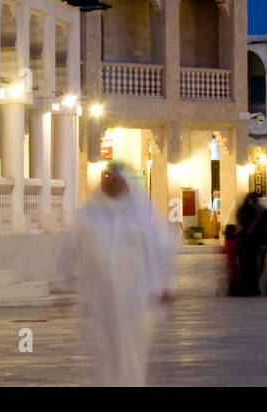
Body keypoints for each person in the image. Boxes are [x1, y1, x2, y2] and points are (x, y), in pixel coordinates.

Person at [52, 161, 176, 386]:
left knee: (131, 359)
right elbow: (67, 249)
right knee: (104, 360)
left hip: (135, 303)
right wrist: (61, 284)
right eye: (106, 178)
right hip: (98, 304)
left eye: (115, 179)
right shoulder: (88, 214)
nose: (109, 183)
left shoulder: (142, 215)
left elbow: (161, 250)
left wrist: (167, 285)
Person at [234, 193, 265, 296]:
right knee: (252, 265)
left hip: (245, 240)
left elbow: (239, 223)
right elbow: (252, 225)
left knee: (245, 265)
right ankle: (252, 288)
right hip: (252, 241)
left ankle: (244, 288)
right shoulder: (255, 211)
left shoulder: (242, 209)